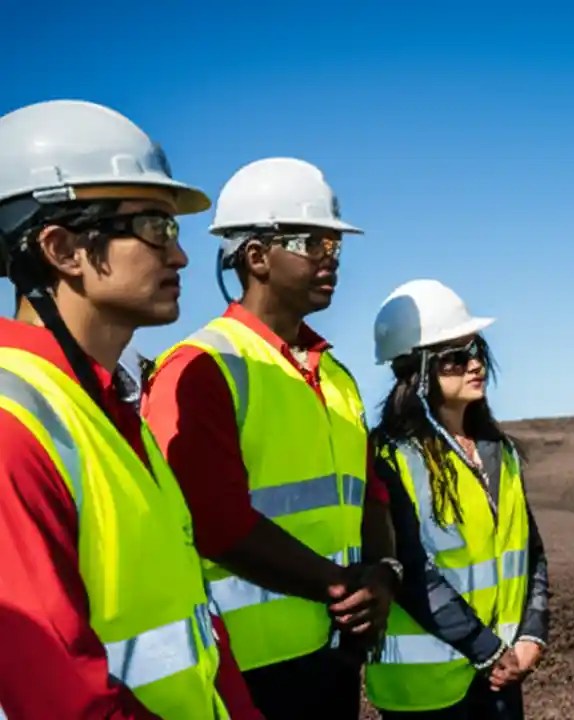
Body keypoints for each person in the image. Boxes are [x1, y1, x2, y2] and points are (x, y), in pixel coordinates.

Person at [0, 98, 261, 718]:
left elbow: (197, 627)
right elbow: (63, 702)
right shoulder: (13, 424)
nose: (181, 256)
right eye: (154, 227)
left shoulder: (109, 406)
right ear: (63, 249)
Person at [140, 157, 399, 718]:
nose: (331, 259)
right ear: (256, 256)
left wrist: (382, 573)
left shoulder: (337, 376)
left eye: (336, 246)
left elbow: (370, 498)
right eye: (313, 243)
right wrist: (341, 589)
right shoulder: (202, 367)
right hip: (245, 671)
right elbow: (215, 524)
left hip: (334, 656)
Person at [362, 278, 550, 719]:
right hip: (424, 688)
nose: (474, 364)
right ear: (417, 370)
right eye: (455, 357)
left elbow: (530, 553)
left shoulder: (500, 453)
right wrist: (486, 649)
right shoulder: (388, 455)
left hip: (499, 675)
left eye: (477, 350)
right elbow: (408, 566)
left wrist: (531, 635)